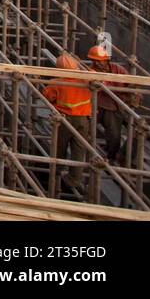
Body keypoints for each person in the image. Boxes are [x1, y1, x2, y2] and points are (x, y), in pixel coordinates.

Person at [43, 53, 93, 194]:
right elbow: (97, 77)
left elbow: (48, 96)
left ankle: (56, 170)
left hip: (65, 119)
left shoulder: (57, 82)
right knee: (79, 148)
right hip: (84, 118)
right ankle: (75, 178)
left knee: (60, 145)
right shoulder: (86, 79)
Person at [87, 44, 138, 162]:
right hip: (108, 106)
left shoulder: (117, 69)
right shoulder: (92, 72)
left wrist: (134, 96)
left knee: (138, 131)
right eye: (95, 61)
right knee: (114, 134)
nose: (99, 64)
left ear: (107, 60)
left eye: (101, 61)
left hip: (122, 105)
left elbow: (131, 82)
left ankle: (125, 156)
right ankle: (111, 156)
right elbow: (100, 89)